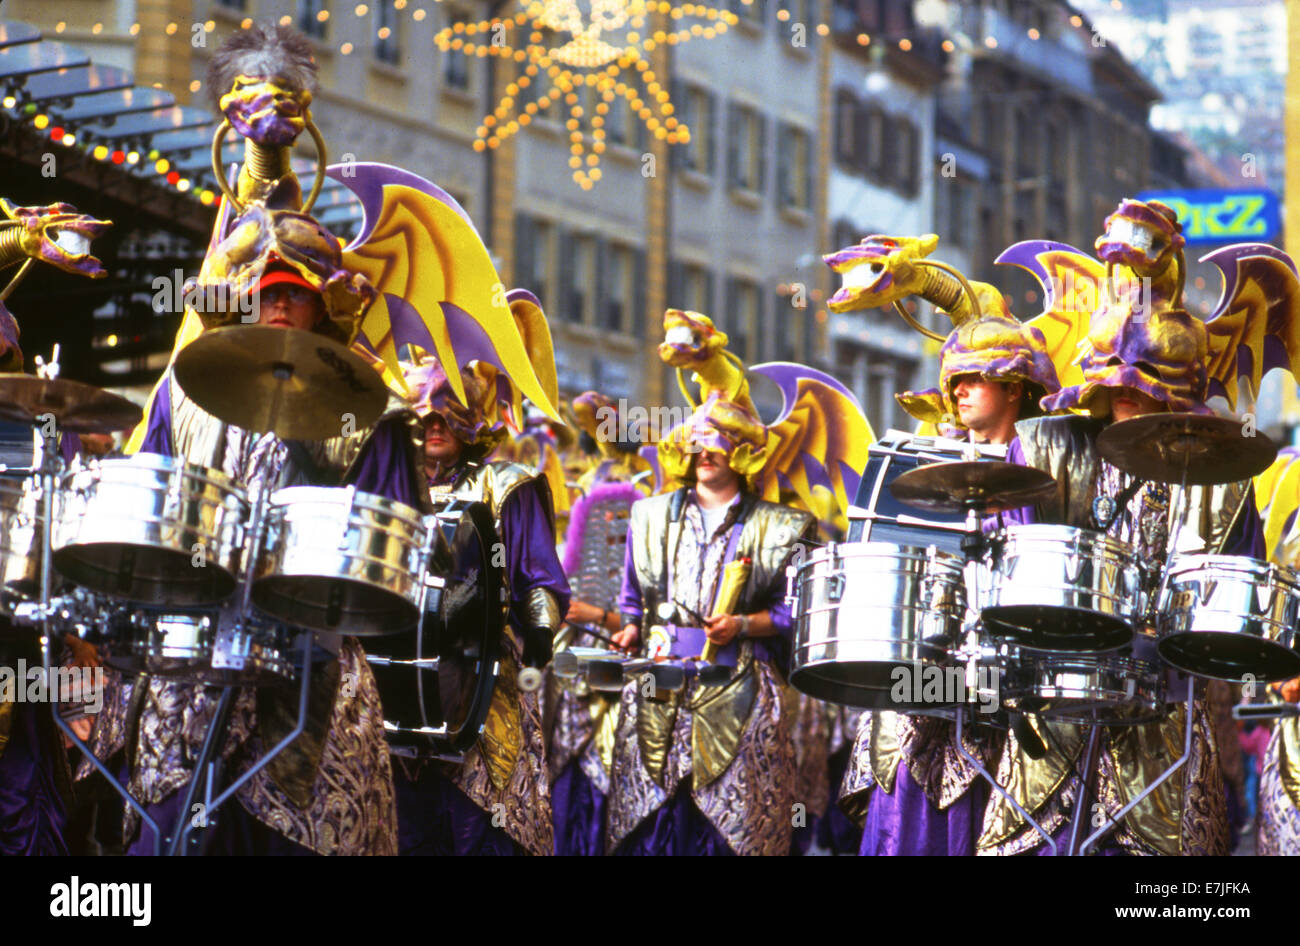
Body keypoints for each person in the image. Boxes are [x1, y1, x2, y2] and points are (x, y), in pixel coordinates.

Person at [987, 202, 1262, 855]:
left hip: (1168, 713)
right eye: (1118, 393)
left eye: (1145, 395)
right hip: (1059, 704)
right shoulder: (1053, 450)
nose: (1128, 405)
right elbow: (1012, 553)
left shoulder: (1222, 478)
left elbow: (1233, 606)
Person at [841, 311, 1062, 856]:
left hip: (1006, 684)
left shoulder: (1047, 462)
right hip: (921, 674)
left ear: (1013, 387)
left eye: (973, 378)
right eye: (952, 381)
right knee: (904, 818)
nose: (957, 391)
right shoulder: (926, 461)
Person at [604, 395, 814, 855]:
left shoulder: (785, 527)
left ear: (744, 454)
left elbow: (797, 610)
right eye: (698, 444)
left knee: (731, 832)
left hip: (741, 689)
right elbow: (631, 600)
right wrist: (630, 628)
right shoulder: (649, 516)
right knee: (650, 826)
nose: (706, 453)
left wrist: (742, 624)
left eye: (719, 444)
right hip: (657, 688)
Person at [391, 353, 569, 856]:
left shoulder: (507, 484)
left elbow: (540, 577)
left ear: (470, 418)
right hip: (395, 698)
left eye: (447, 412)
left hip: (482, 692)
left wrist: (538, 629)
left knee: (481, 831)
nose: (434, 424)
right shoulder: (390, 488)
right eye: (422, 414)